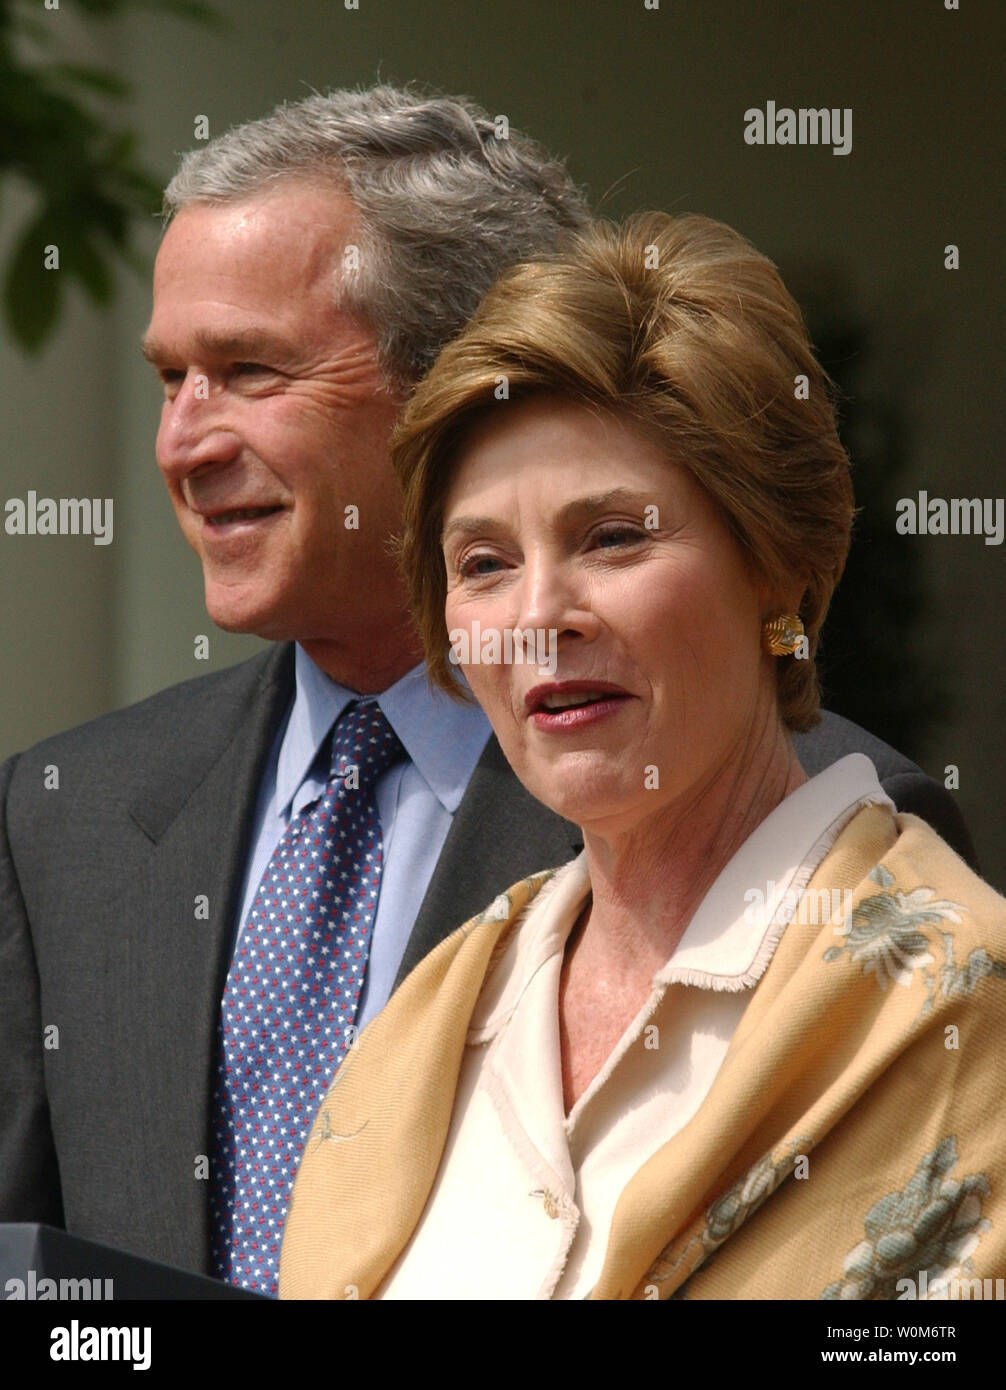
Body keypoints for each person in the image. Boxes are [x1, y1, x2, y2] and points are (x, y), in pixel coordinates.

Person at [0, 86, 974, 1296]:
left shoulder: (869, 867)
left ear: (460, 367)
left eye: (250, 371)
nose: (184, 443)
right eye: (170, 379)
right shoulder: (67, 813)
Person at [278, 212, 1006, 1301]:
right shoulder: (436, 1014)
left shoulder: (964, 1005)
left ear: (775, 564)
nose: (537, 617)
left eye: (613, 536)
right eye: (483, 562)